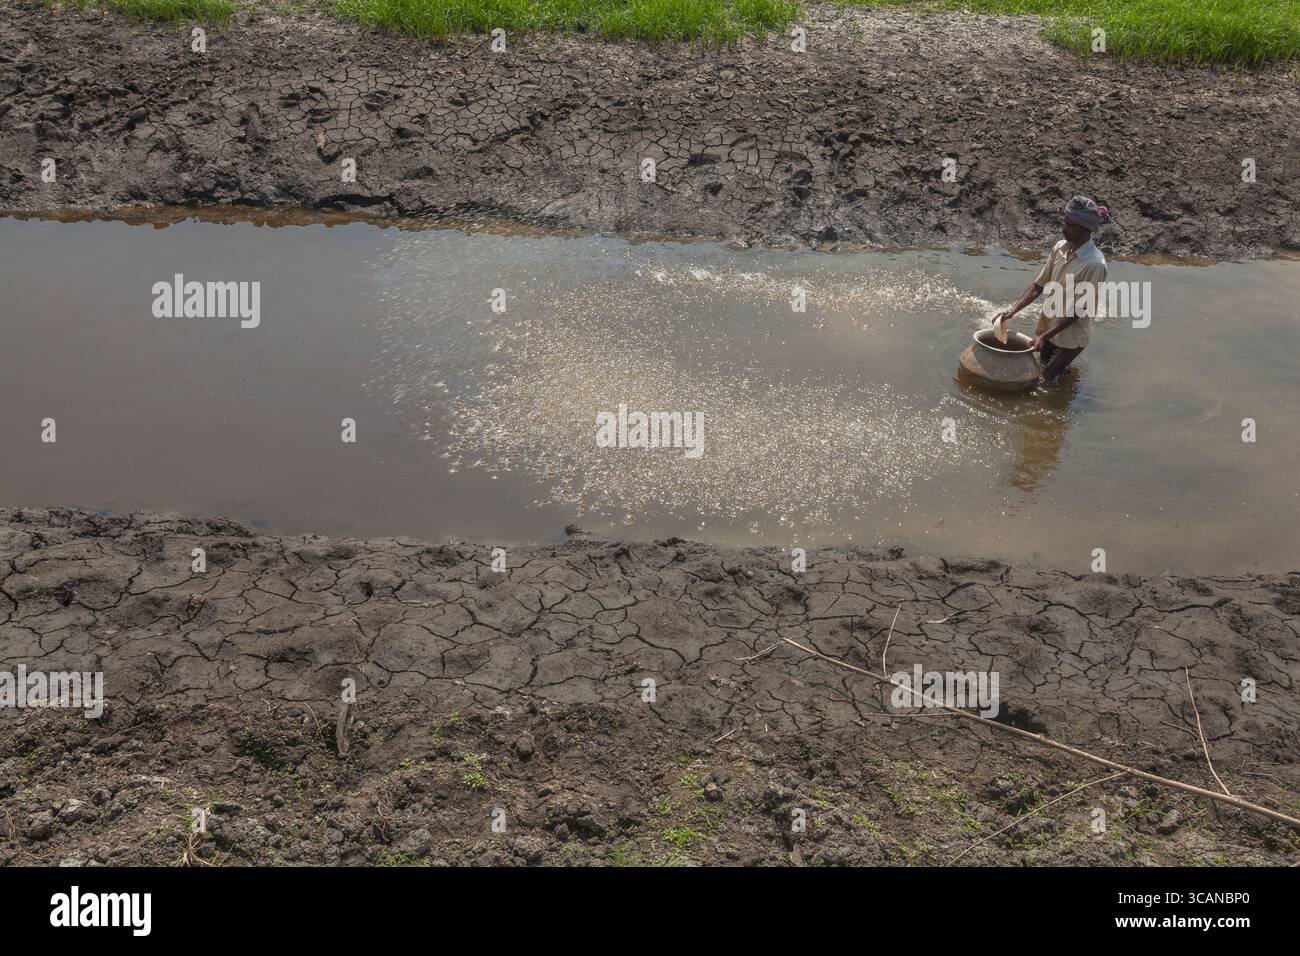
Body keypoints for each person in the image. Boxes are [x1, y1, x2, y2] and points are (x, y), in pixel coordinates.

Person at [994, 196, 1111, 383]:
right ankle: (1067, 380)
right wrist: (1011, 312)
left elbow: (1079, 310)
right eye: (1064, 222)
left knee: (1044, 380)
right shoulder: (1060, 248)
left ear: (1084, 228)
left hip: (1072, 335)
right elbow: (1038, 286)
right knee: (1042, 367)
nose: (1064, 229)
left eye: (1070, 225)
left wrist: (1044, 336)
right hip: (1050, 324)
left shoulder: (1094, 264)